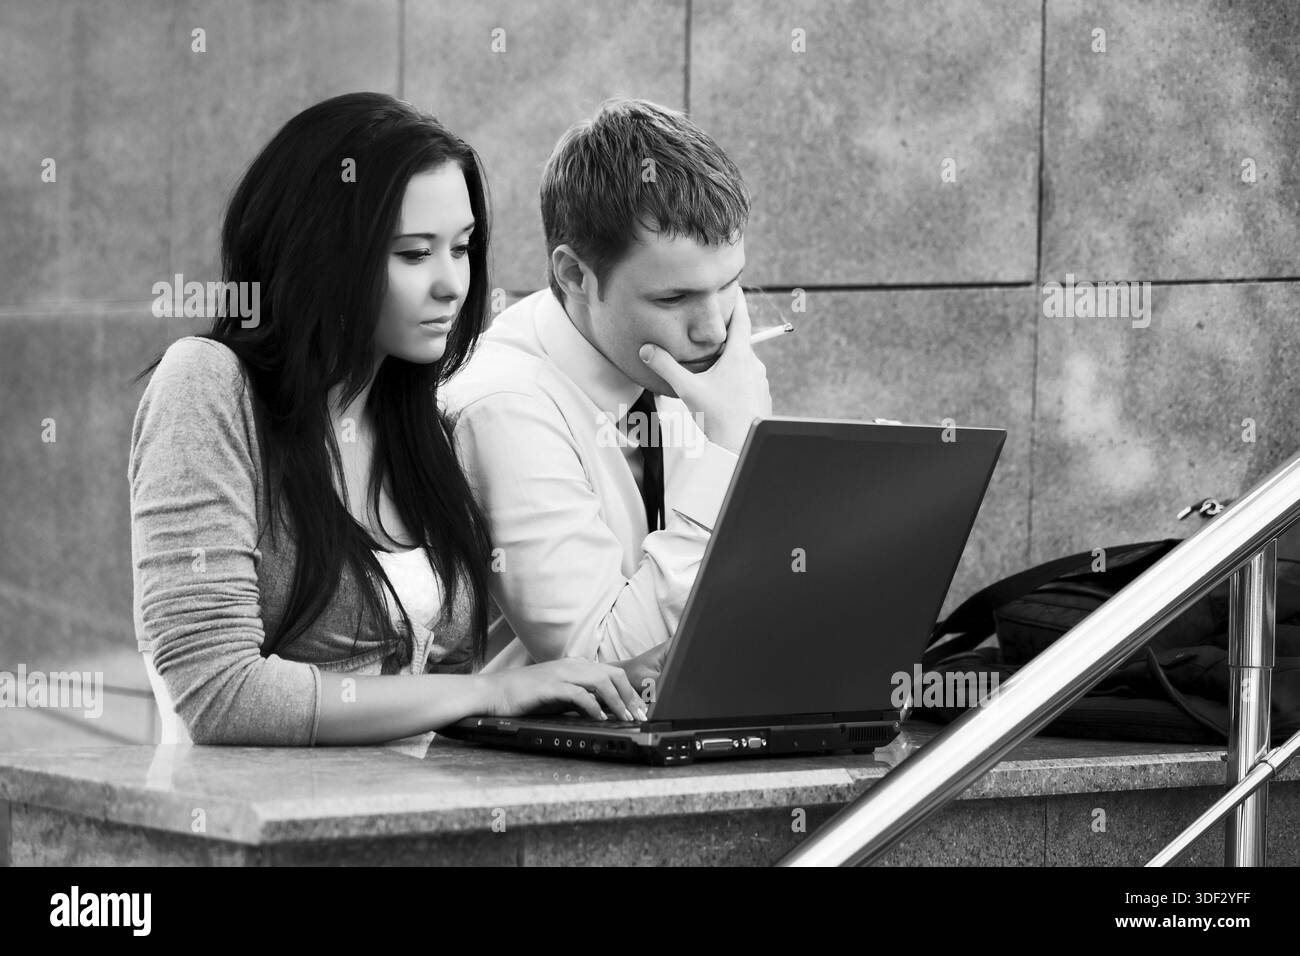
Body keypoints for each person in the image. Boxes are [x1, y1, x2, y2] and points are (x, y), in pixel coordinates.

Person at [129, 92, 646, 746]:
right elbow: (215, 691)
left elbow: (442, 686)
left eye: (461, 248)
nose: (451, 283)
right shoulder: (208, 385)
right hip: (265, 831)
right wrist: (489, 689)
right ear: (320, 253)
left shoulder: (421, 424)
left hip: (415, 818)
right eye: (413, 253)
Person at [443, 98, 772, 689]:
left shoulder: (685, 364)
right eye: (673, 300)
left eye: (729, 285)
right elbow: (601, 658)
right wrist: (730, 451)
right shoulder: (502, 407)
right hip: (535, 772)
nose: (715, 329)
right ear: (573, 275)